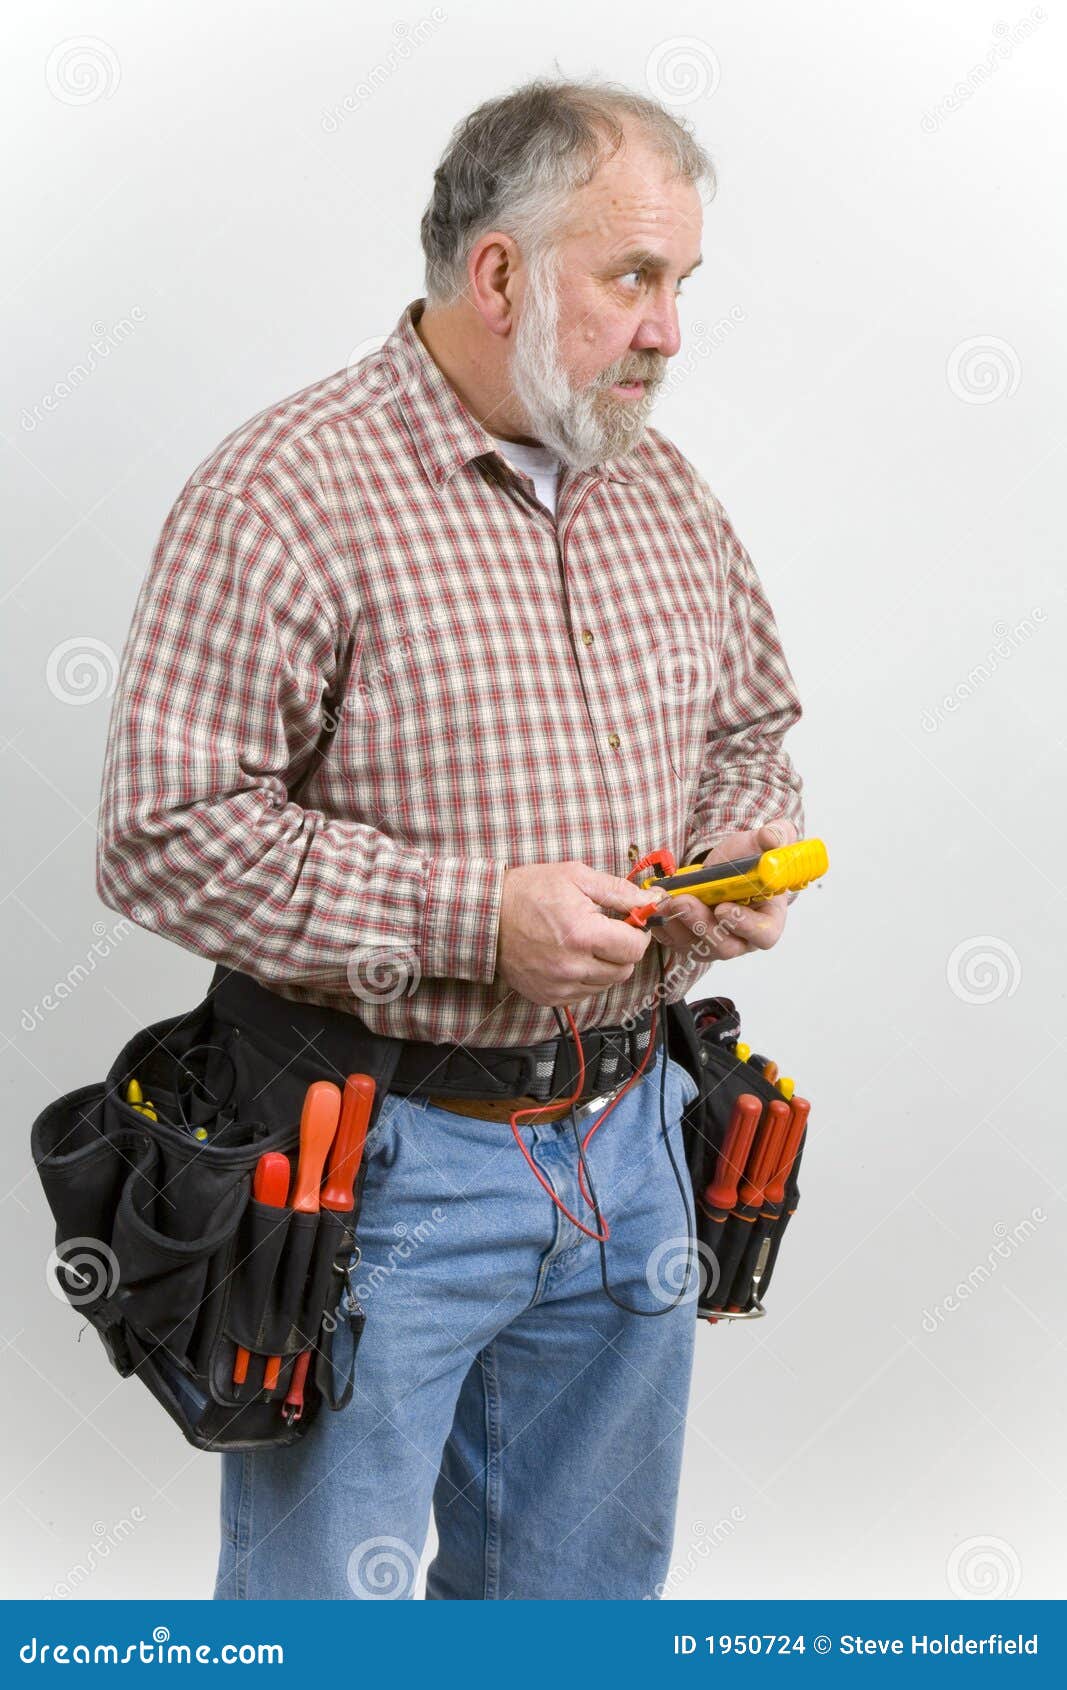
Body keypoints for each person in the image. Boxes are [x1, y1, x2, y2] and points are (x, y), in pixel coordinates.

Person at [96, 75, 806, 1600]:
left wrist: (741, 843)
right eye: (634, 278)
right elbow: (161, 834)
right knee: (320, 1627)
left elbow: (751, 731)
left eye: (682, 284)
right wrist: (474, 916)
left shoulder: (659, 491)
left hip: (634, 1150)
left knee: (581, 1611)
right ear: (500, 274)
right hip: (379, 1161)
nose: (670, 330)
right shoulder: (286, 492)